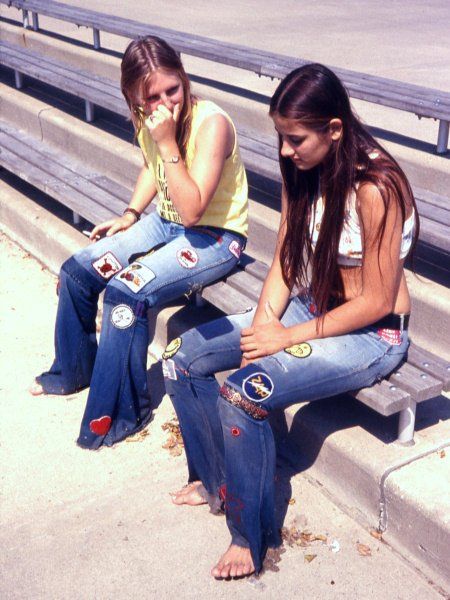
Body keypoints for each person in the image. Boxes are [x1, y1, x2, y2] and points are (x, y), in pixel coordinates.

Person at [163, 63, 418, 578]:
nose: (285, 150)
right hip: (312, 307)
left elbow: (376, 300)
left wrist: (286, 336)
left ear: (335, 130)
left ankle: (249, 537)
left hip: (372, 333)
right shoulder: (303, 169)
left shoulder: (377, 186)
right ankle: (215, 481)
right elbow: (284, 252)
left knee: (242, 392)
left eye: (295, 138)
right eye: (281, 137)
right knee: (181, 357)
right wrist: (263, 329)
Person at [29, 36, 248, 450]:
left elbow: (194, 212)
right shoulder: (147, 118)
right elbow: (152, 167)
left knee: (125, 295)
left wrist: (168, 142)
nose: (165, 102)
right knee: (77, 272)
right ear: (133, 96)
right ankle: (73, 371)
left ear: (184, 79)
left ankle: (125, 411)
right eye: (152, 96)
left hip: (215, 237)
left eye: (173, 89)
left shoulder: (211, 124)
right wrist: (130, 214)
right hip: (164, 223)